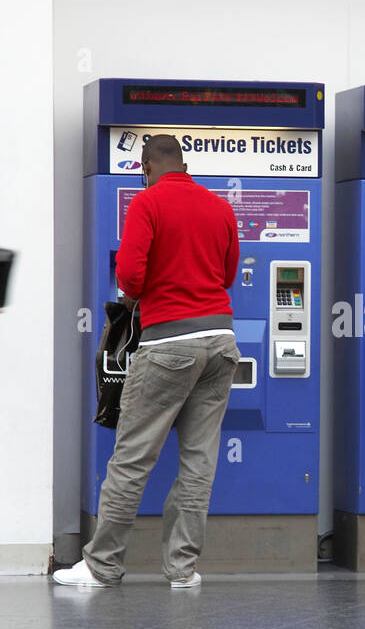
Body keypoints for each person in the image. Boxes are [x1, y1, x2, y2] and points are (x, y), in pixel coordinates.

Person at [54, 135, 241, 588]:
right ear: (184, 164)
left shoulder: (147, 203)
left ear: (146, 165)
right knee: (198, 462)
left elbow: (131, 276)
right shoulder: (220, 207)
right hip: (220, 341)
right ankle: (183, 569)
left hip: (170, 343)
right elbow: (229, 273)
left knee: (132, 458)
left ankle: (101, 567)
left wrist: (135, 293)